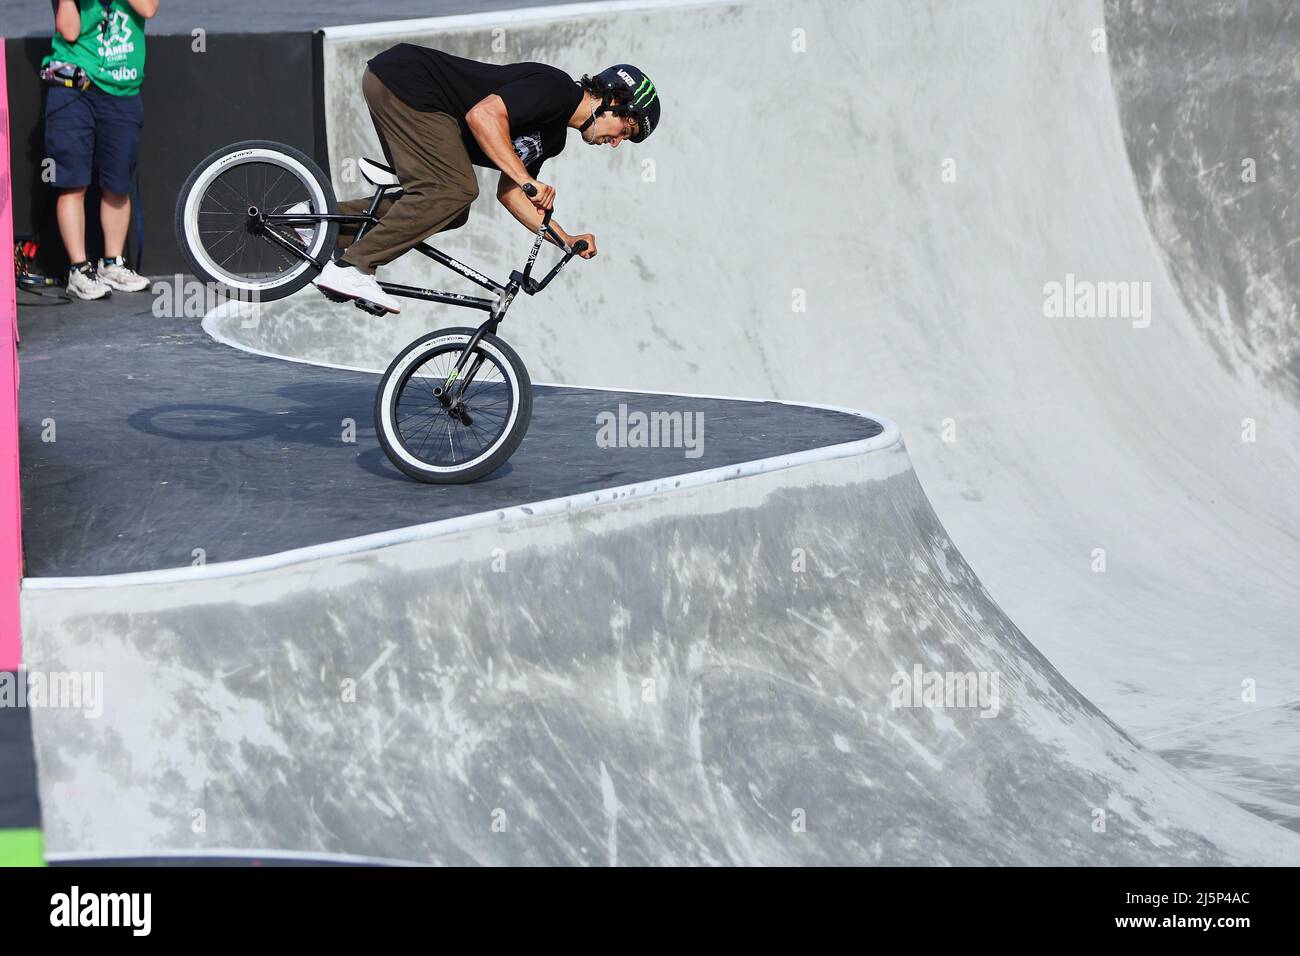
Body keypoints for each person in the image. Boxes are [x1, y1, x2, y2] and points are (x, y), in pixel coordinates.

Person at [311, 45, 661, 315]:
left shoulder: (553, 138)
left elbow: (512, 194)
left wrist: (566, 240)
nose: (615, 143)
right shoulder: (556, 90)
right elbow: (484, 115)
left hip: (414, 97)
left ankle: (317, 224)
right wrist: (525, 178)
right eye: (624, 130)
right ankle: (353, 266)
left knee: (451, 207)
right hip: (407, 82)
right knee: (456, 189)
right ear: (613, 101)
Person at [41, 0, 157, 301]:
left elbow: (148, 9)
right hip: (74, 85)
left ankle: (112, 263)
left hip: (123, 88)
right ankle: (79, 269)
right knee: (72, 182)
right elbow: (69, 31)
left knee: (118, 183)